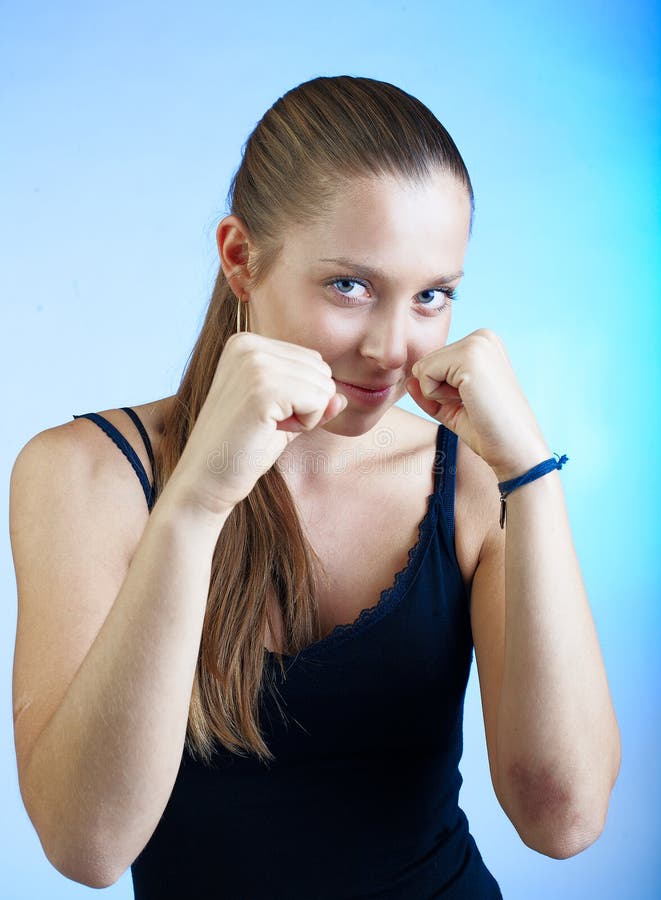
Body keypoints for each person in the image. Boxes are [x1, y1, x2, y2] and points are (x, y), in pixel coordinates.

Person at [9, 75, 621, 899]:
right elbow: (87, 846)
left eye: (432, 296)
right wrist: (195, 504)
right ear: (241, 258)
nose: (392, 349)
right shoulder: (85, 474)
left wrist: (532, 479)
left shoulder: (473, 483)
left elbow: (565, 821)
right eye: (350, 286)